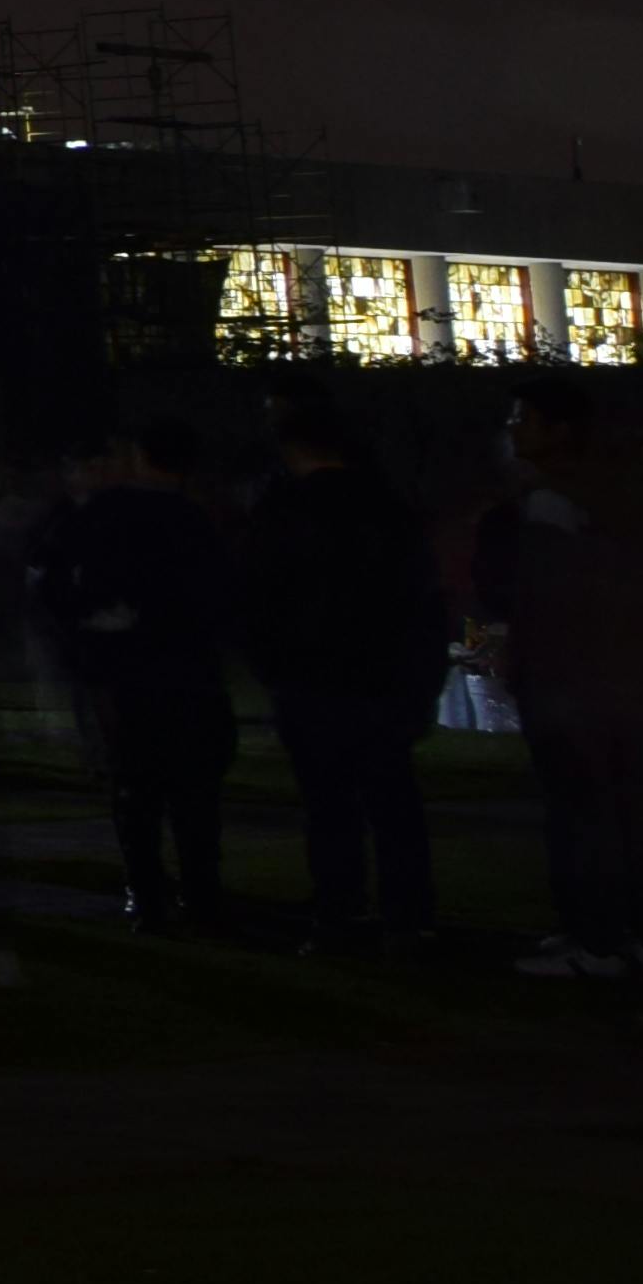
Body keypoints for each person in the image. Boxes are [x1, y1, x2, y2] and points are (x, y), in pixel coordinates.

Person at [237, 389, 446, 952]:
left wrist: (273, 667)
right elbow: (423, 599)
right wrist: (422, 679)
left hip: (311, 679)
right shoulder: (387, 507)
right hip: (382, 678)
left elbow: (257, 600)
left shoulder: (283, 512)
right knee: (393, 801)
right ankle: (409, 915)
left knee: (329, 804)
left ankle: (340, 910)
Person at [472, 372, 643, 982]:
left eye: (524, 420)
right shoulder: (605, 494)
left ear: (560, 430)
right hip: (604, 683)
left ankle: (597, 938)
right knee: (613, 810)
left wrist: (522, 655)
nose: (514, 431)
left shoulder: (557, 502)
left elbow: (552, 598)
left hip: (574, 684)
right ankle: (614, 932)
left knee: (584, 811)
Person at [27, 419, 235, 930]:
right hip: (186, 672)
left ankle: (147, 894)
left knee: (138, 790)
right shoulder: (193, 517)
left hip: (128, 672)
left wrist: (89, 621)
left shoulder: (104, 515)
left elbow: (48, 579)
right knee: (191, 794)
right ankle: (199, 894)